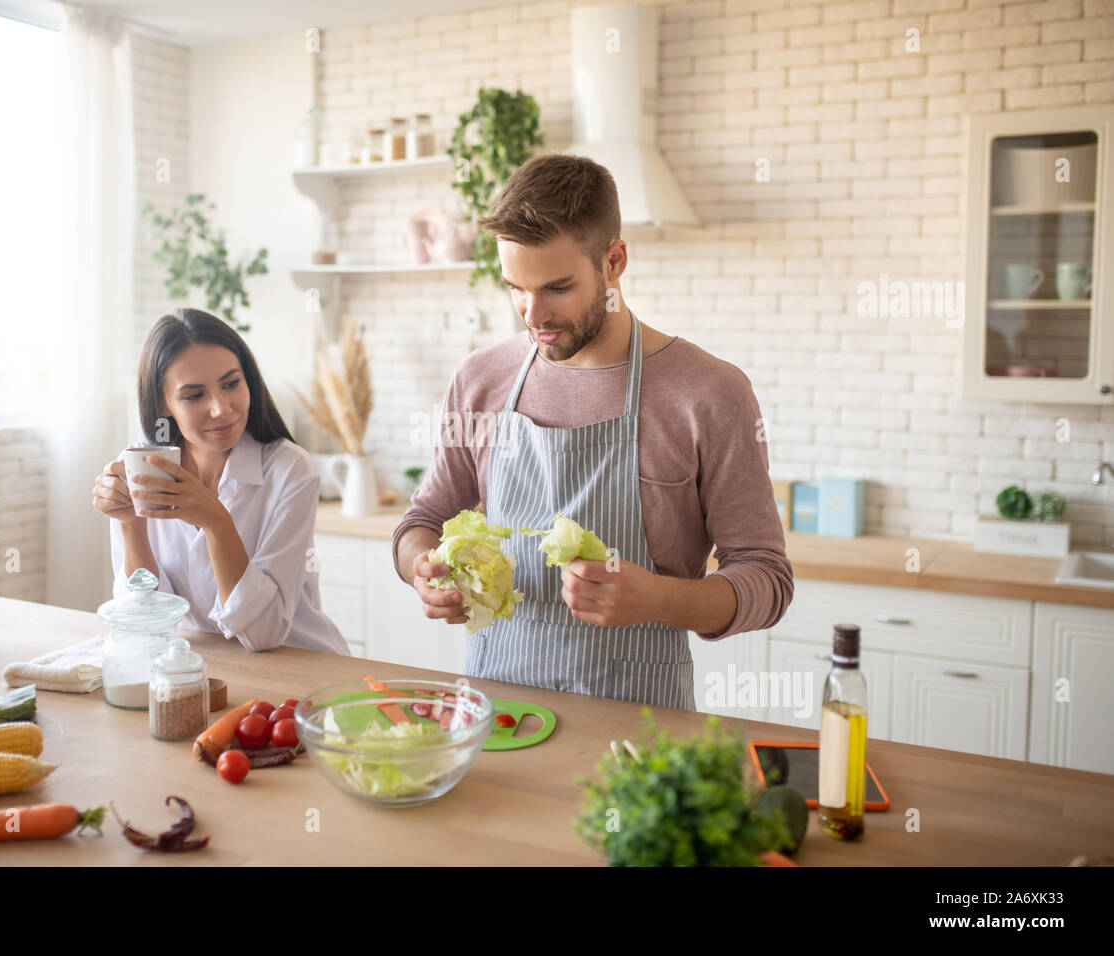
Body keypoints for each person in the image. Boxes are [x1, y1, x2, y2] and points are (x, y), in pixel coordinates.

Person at [392, 154, 793, 709]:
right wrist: (423, 569)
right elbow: (422, 522)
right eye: (515, 288)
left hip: (639, 733)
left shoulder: (709, 394)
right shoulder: (480, 380)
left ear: (614, 261)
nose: (533, 315)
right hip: (499, 720)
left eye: (558, 288)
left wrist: (660, 599)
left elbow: (767, 580)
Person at [92, 308, 348, 655]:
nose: (221, 409)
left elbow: (265, 633)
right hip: (201, 668)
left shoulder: (290, 470)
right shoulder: (139, 468)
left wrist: (215, 521)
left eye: (231, 384)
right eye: (194, 395)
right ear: (161, 402)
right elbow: (145, 621)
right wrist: (130, 524)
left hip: (297, 666)